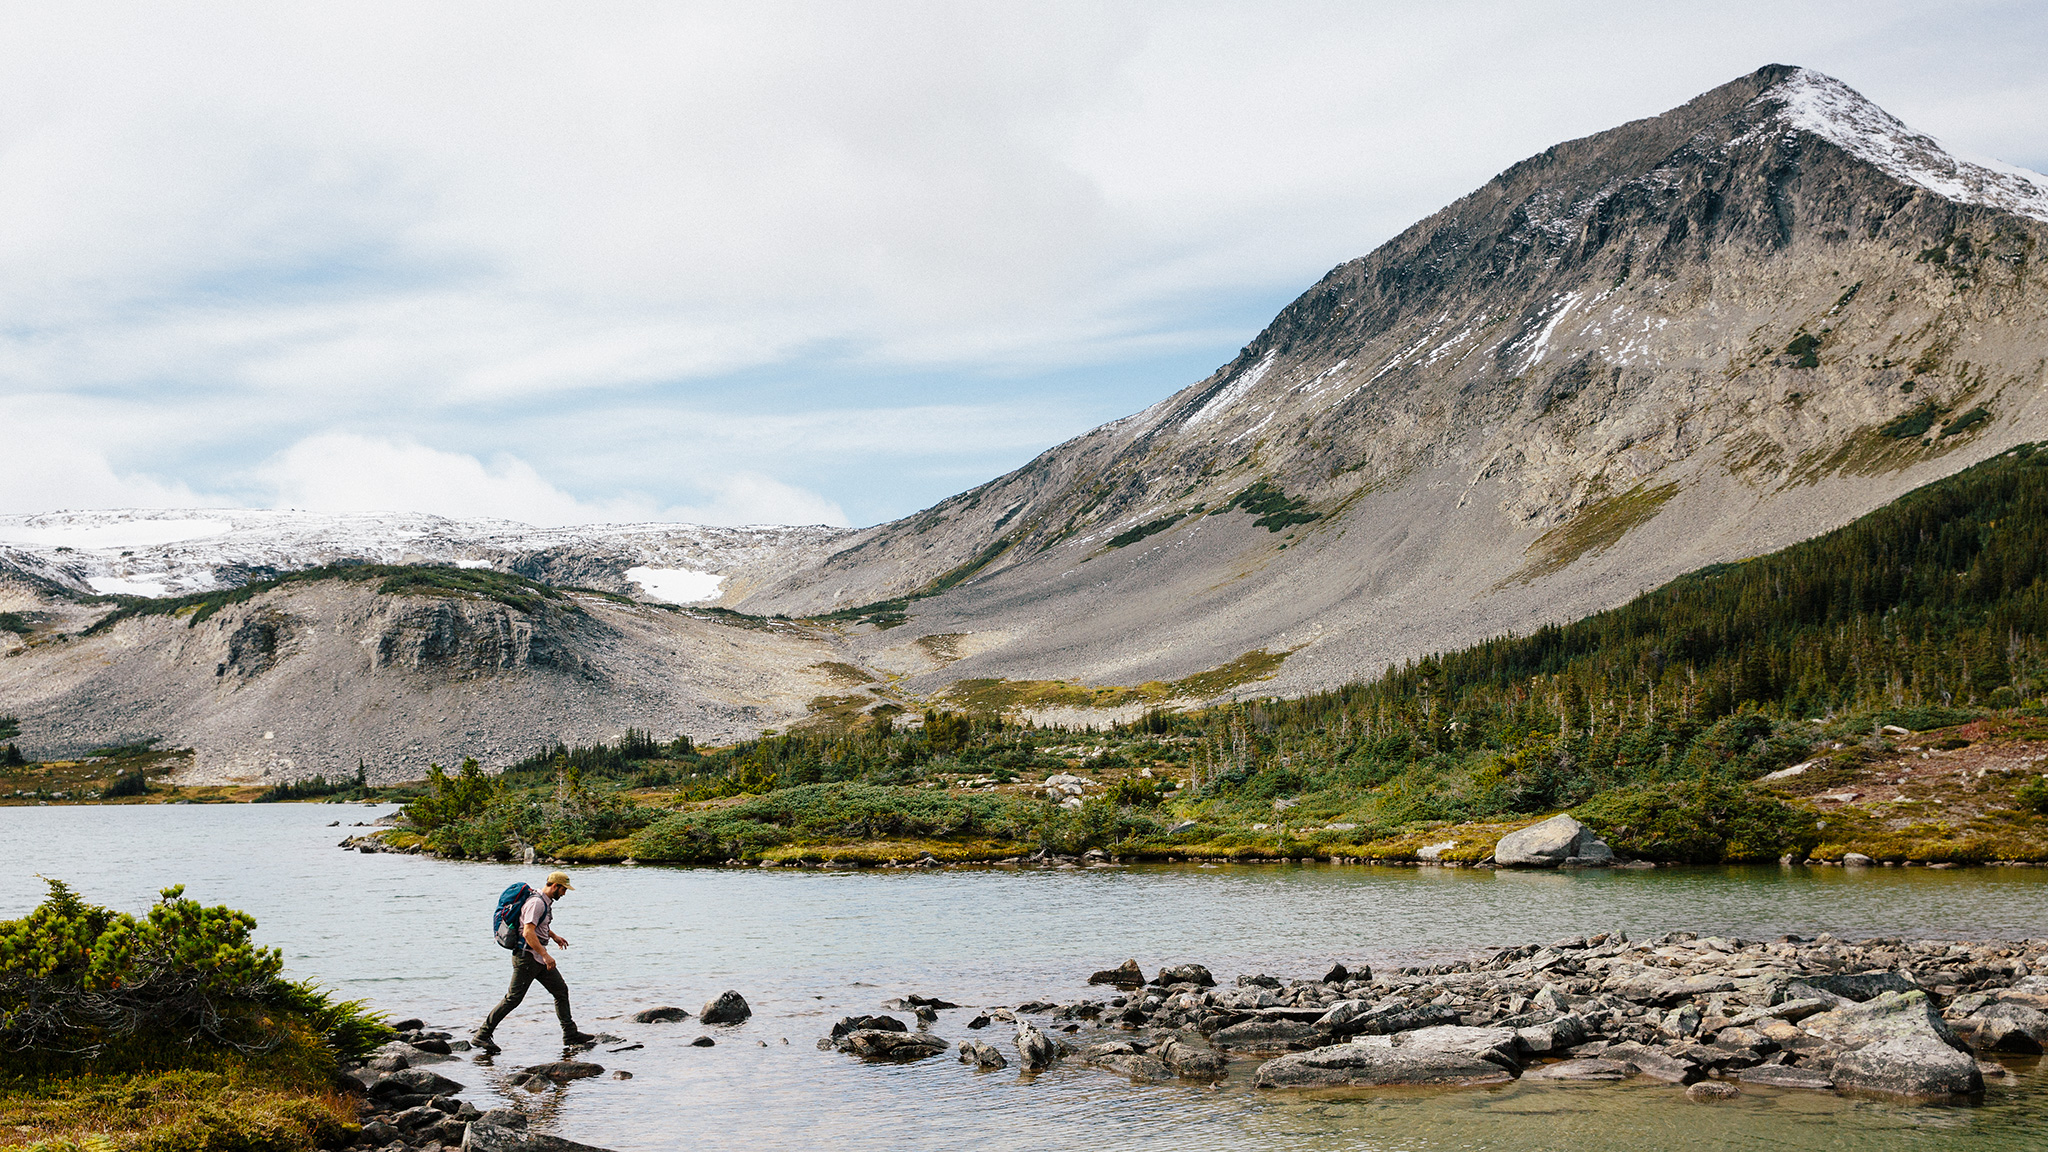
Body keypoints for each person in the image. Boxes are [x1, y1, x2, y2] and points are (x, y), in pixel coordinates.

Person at [473, 871, 595, 1051]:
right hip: (527, 959)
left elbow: (538, 925)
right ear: (554, 886)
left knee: (561, 991)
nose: (564, 893)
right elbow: (528, 932)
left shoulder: (543, 902)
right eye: (563, 889)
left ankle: (570, 1034)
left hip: (537, 958)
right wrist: (545, 955)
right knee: (513, 999)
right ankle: (482, 1035)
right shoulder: (536, 903)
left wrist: (553, 936)